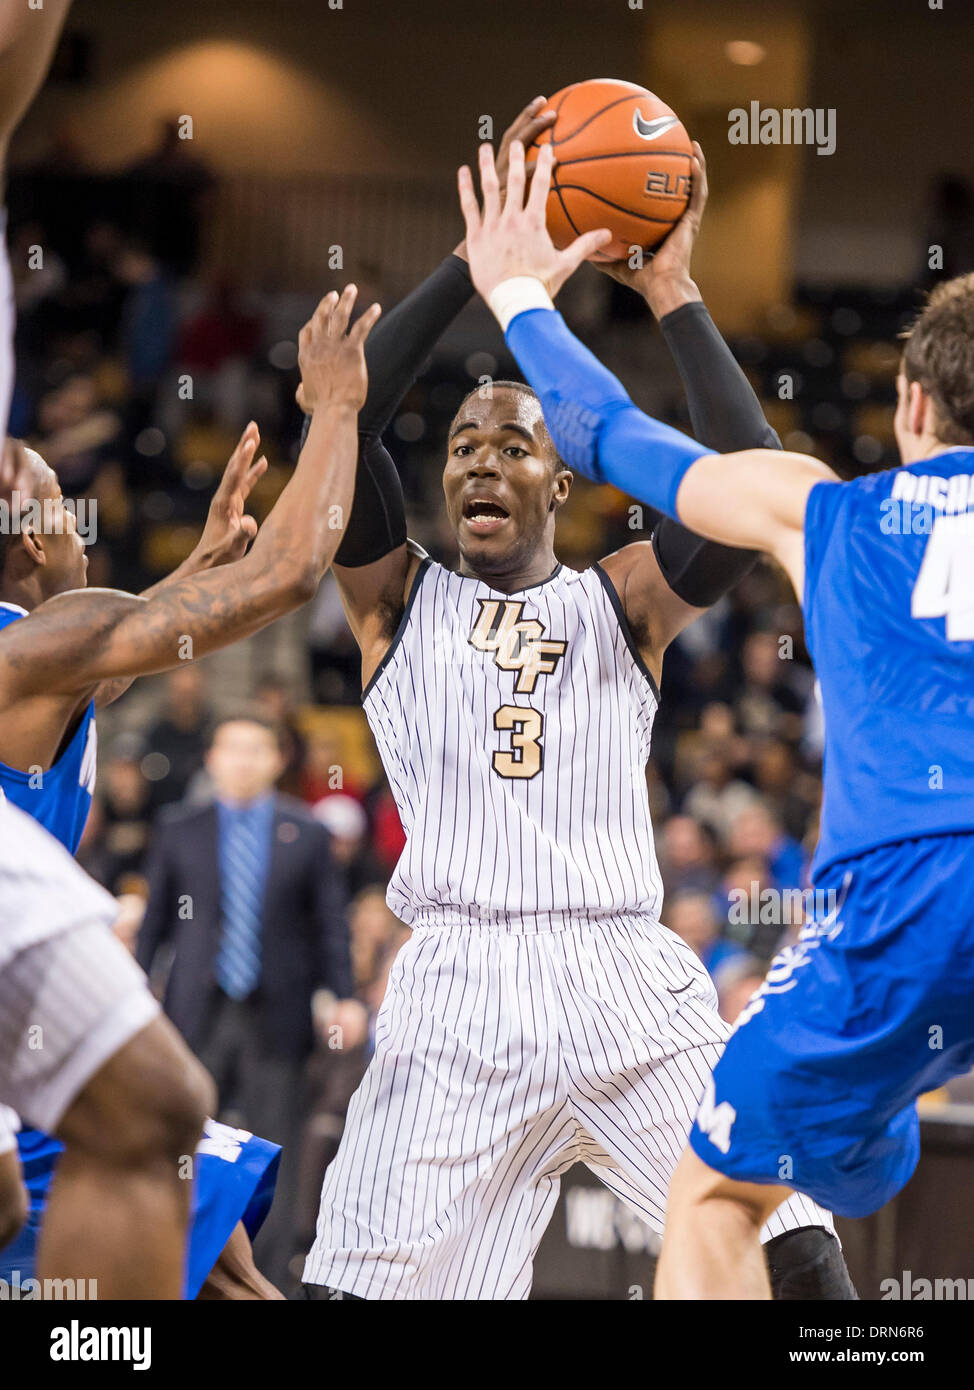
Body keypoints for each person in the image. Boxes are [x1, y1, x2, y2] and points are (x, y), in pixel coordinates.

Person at [301, 101, 851, 1300]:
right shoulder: (394, 598)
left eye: (510, 445)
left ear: (563, 478)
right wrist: (477, 259)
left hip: (621, 976)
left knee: (788, 1248)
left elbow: (743, 479)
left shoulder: (629, 598)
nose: (479, 462)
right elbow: (342, 429)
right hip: (454, 986)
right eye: (459, 446)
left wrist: (672, 290)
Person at [459, 136, 974, 1299]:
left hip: (902, 895)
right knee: (853, 1154)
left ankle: (863, 1121)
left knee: (718, 1192)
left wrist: (517, 288)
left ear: (907, 401)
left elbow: (600, 434)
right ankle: (866, 1128)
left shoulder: (826, 512)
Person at [138, 712, 354, 1287]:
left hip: (277, 1014)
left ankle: (269, 1281)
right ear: (211, 758)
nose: (243, 760)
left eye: (257, 749)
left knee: (274, 1148)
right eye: (232, 748)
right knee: (182, 1140)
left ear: (278, 759)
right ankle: (172, 1274)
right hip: (192, 1014)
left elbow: (329, 924)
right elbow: (155, 923)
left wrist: (346, 997)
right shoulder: (179, 826)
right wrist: (135, 995)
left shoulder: (306, 832)